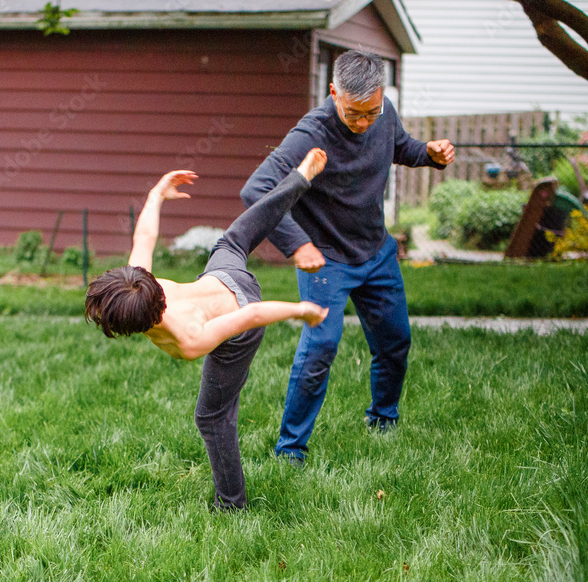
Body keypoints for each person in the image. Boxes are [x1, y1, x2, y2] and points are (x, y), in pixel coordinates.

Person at [240, 49, 456, 466]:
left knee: (396, 342)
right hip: (327, 261)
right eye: (354, 113)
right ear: (334, 92)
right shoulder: (310, 134)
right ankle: (290, 451)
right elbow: (256, 190)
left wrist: (429, 153)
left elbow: (400, 147)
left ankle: (383, 421)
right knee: (320, 346)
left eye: (371, 113)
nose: (363, 123)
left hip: (376, 252)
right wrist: (297, 244)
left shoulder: (382, 111)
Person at [85, 148, 329, 509]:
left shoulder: (189, 338)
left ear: (132, 326)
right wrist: (156, 194)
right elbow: (144, 238)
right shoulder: (140, 283)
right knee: (237, 235)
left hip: (240, 318)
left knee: (212, 416)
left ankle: (231, 504)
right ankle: (298, 179)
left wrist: (300, 310)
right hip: (224, 276)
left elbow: (250, 317)